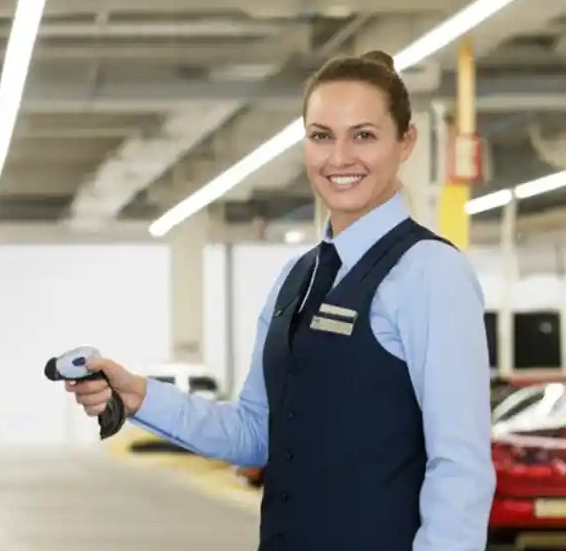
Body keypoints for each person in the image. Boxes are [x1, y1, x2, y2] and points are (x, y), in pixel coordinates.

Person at [67, 50, 495, 550]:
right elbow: (256, 431)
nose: (339, 158)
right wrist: (139, 394)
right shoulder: (298, 278)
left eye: (363, 135)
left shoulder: (430, 273)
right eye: (321, 136)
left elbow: (460, 467)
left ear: (405, 142)